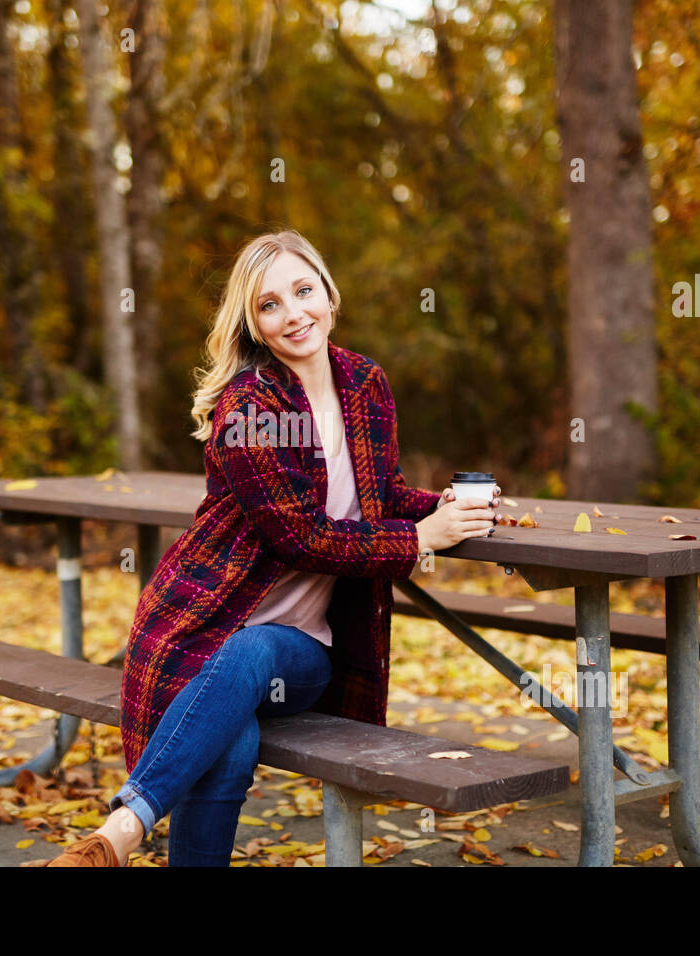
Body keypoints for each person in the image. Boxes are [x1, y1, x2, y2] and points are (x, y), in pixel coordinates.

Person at [48, 229, 498, 866]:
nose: (293, 314)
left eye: (303, 291)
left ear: (329, 296)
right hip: (200, 626)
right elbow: (299, 537)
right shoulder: (250, 406)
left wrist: (445, 506)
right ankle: (120, 835)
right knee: (228, 746)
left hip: (303, 651)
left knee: (255, 650)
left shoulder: (366, 384)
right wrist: (417, 541)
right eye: (269, 305)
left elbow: (379, 490)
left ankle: (122, 827)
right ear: (254, 325)